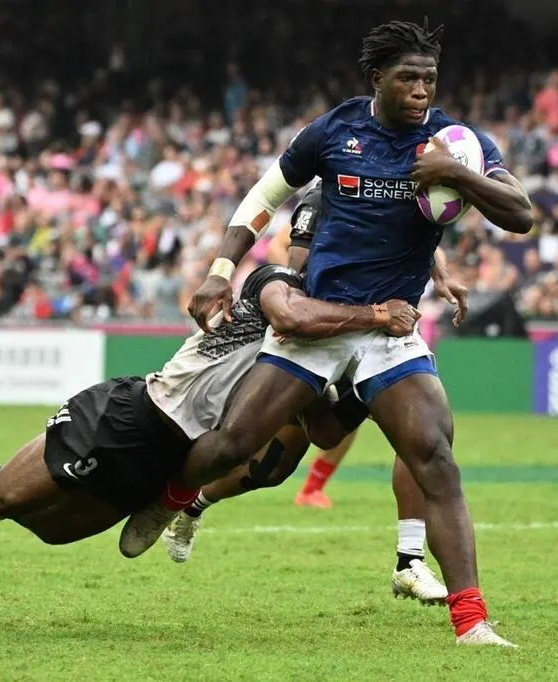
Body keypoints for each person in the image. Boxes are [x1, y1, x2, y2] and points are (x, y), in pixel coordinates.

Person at [118, 19, 532, 647]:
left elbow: (521, 214)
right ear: (377, 80)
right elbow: (263, 196)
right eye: (407, 77)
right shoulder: (335, 131)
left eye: (429, 77)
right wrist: (221, 269)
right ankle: (172, 495)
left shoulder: (456, 142)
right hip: (317, 321)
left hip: (391, 329)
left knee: (436, 461)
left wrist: (457, 174)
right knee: (235, 446)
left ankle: (472, 621)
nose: (421, 89)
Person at [0, 261, 422, 552]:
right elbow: (292, 317)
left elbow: (320, 431)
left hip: (179, 455)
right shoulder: (280, 282)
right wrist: (375, 318)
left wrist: (370, 389)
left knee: (50, 528)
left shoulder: (344, 342)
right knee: (1, 497)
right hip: (139, 417)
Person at [164, 183, 460, 605]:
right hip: (324, 333)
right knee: (276, 464)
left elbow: (419, 238)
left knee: (419, 432)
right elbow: (300, 268)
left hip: (383, 338)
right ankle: (191, 503)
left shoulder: (393, 188)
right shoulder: (325, 196)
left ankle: (409, 560)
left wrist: (440, 272)